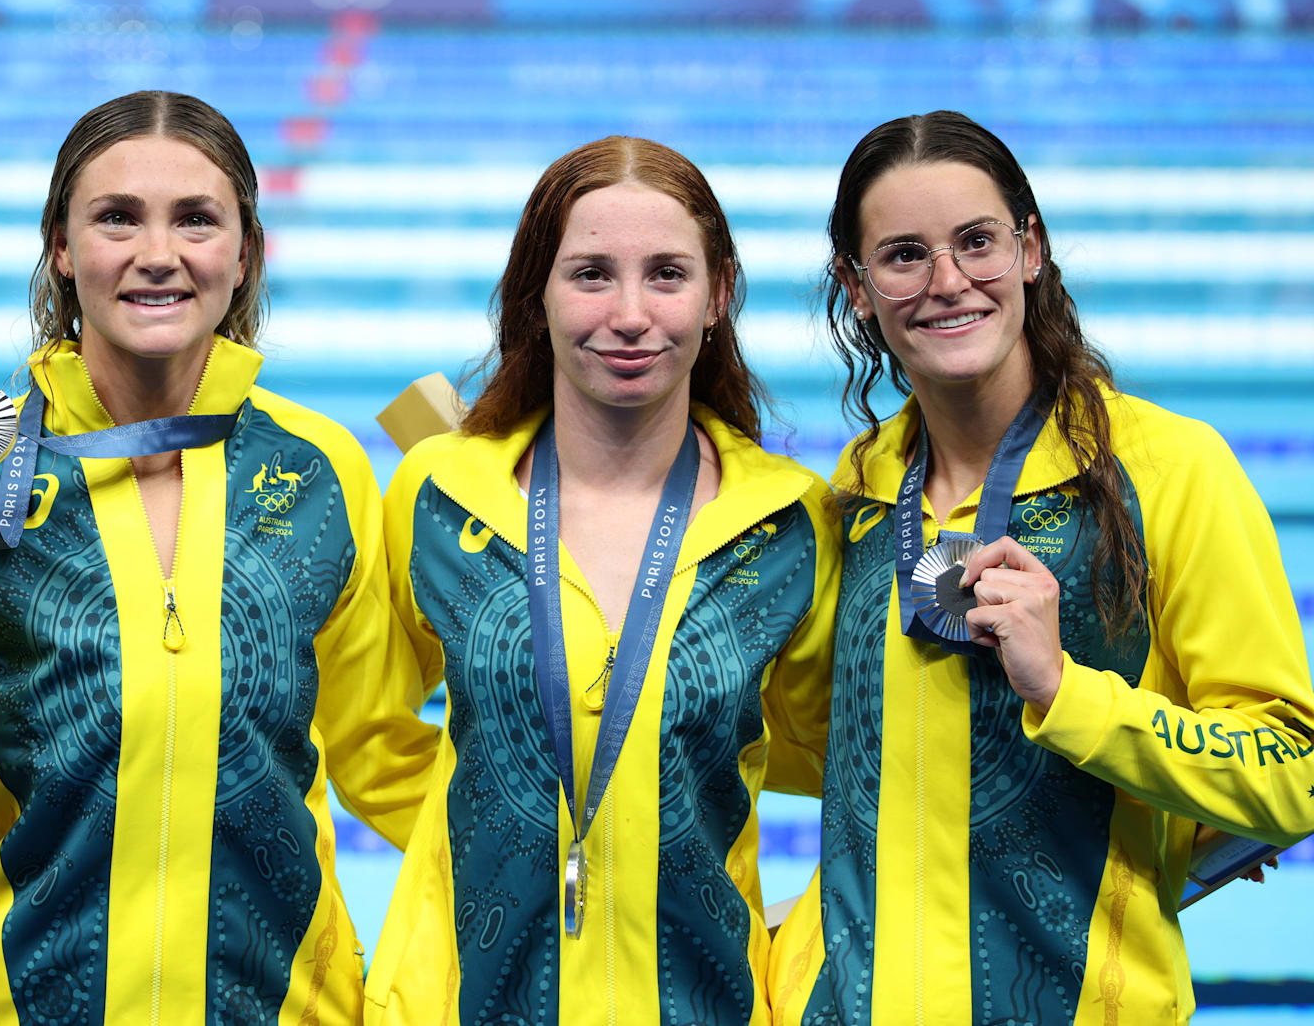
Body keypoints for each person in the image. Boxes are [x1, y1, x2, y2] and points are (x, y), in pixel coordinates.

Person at [0, 90, 441, 1025]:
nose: (158, 253)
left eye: (196, 219)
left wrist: (593, 842)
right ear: (61, 246)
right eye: (118, 218)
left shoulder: (321, 472)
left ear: (244, 252)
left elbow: (377, 748)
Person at [765, 110, 1314, 1025]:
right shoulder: (860, 487)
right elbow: (840, 750)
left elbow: (1292, 770)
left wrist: (1067, 691)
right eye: (904, 255)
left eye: (977, 241)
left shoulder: (1169, 470)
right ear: (857, 288)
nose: (948, 282)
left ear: (1031, 249)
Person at [361, 135, 838, 1025]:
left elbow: (861, 776)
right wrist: (508, 830)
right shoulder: (437, 493)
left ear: (718, 294)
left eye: (667, 274)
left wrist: (794, 958)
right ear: (535, 293)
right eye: (590, 274)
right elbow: (367, 731)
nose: (629, 315)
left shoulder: (789, 523)